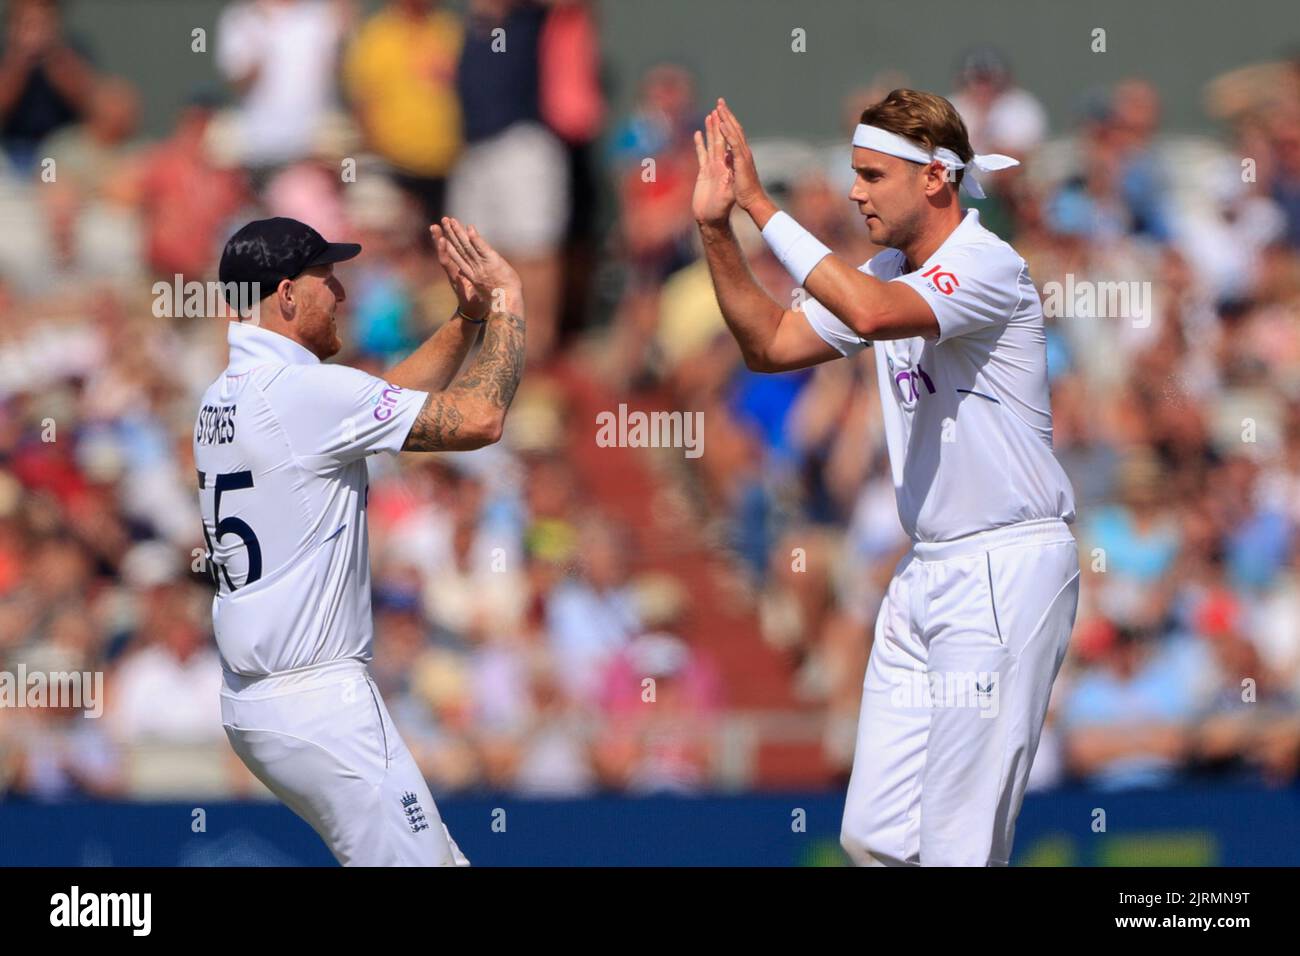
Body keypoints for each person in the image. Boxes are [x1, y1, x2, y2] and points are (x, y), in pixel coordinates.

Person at [692, 90, 1079, 866]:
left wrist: (761, 205)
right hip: (925, 567)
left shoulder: (986, 263)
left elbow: (871, 314)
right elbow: (771, 344)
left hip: (1003, 566)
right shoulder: (889, 270)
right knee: (876, 837)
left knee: (955, 844)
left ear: (935, 177)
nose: (853, 191)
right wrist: (716, 228)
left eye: (871, 175)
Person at [195, 214, 525, 865]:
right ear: (287, 294)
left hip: (256, 702)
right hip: (319, 701)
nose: (342, 293)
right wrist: (507, 303)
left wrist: (466, 318)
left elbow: (378, 404)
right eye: (328, 278)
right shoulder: (302, 393)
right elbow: (482, 419)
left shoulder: (224, 395)